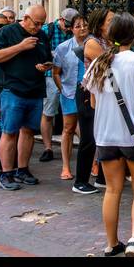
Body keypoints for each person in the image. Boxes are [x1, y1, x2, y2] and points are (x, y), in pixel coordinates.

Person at [82, 12, 134, 257]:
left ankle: (112, 243)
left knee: (112, 190)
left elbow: (93, 103)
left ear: (109, 34)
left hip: (105, 135)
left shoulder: (98, 63)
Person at [0, 4, 54, 190]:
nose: (38, 27)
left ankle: (22, 170)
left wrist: (46, 65)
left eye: (42, 24)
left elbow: (46, 57)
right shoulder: (7, 32)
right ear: (25, 18)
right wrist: (20, 47)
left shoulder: (41, 36)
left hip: (35, 89)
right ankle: (6, 174)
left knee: (29, 131)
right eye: (36, 23)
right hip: (12, 89)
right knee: (9, 132)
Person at [71, 7, 111, 194]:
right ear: (100, 23)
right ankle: (80, 181)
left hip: (102, 93)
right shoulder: (92, 42)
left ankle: (103, 177)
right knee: (89, 138)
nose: (113, 24)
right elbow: (110, 62)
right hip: (88, 94)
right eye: (110, 21)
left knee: (104, 135)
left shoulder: (108, 40)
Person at [52, 13, 89, 181]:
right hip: (69, 92)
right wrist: (62, 89)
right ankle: (66, 166)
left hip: (89, 92)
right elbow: (56, 72)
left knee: (89, 129)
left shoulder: (93, 44)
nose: (82, 29)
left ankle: (94, 162)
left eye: (85, 25)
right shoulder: (63, 47)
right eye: (78, 26)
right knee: (68, 128)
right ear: (71, 29)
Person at [38, 7, 76, 162]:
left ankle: (68, 145)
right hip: (50, 76)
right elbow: (39, 51)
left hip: (69, 77)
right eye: (67, 25)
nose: (68, 29)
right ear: (60, 19)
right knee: (49, 112)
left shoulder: (75, 31)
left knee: (72, 113)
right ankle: (48, 148)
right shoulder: (48, 30)